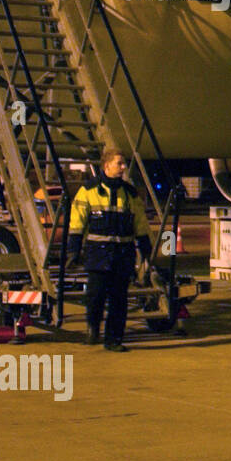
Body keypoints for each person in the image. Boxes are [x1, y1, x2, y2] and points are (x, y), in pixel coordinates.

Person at [68, 148, 153, 351]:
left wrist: (146, 250)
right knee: (95, 296)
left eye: (124, 164)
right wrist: (73, 250)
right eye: (119, 164)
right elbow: (77, 222)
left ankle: (114, 340)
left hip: (122, 254)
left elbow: (140, 223)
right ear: (106, 166)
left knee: (119, 299)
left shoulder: (130, 194)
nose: (123, 167)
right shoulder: (88, 191)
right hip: (98, 253)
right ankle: (93, 327)